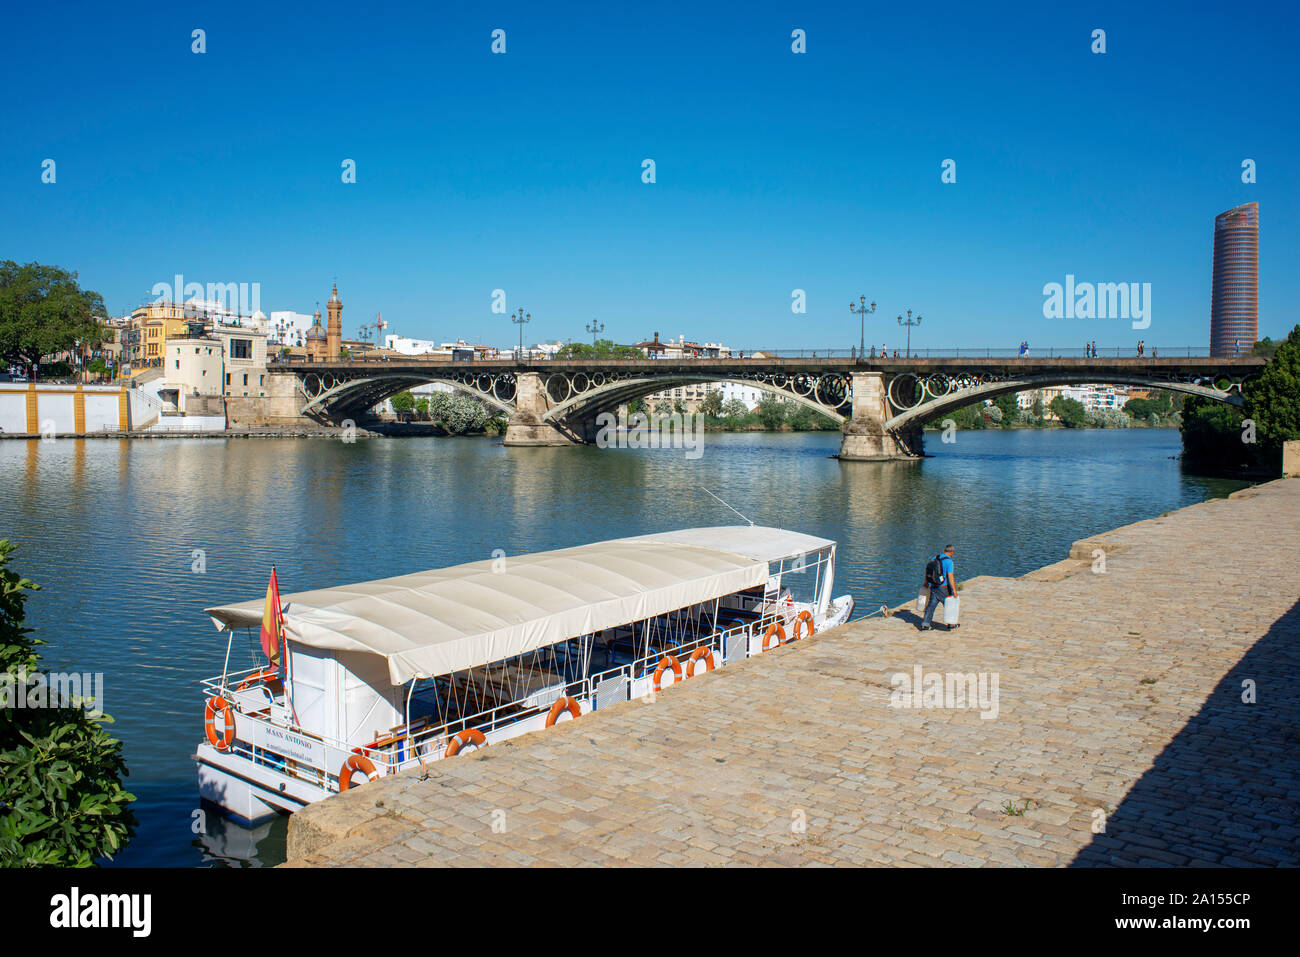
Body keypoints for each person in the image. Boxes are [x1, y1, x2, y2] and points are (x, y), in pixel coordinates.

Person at [920, 545, 957, 631]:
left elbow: (928, 570)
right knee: (949, 605)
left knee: (931, 606)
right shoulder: (949, 561)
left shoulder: (934, 558)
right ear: (951, 552)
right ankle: (951, 624)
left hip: (933, 586)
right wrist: (954, 590)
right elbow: (950, 577)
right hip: (943, 588)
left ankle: (925, 624)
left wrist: (926, 582)